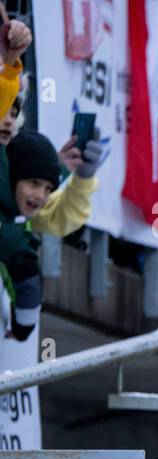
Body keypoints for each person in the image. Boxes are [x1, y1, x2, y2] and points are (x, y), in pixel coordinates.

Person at [0, 131, 62, 341]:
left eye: (48, 188)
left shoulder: (12, 223)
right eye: (34, 183)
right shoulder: (11, 233)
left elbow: (26, 277)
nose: (41, 196)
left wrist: (23, 326)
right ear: (14, 175)